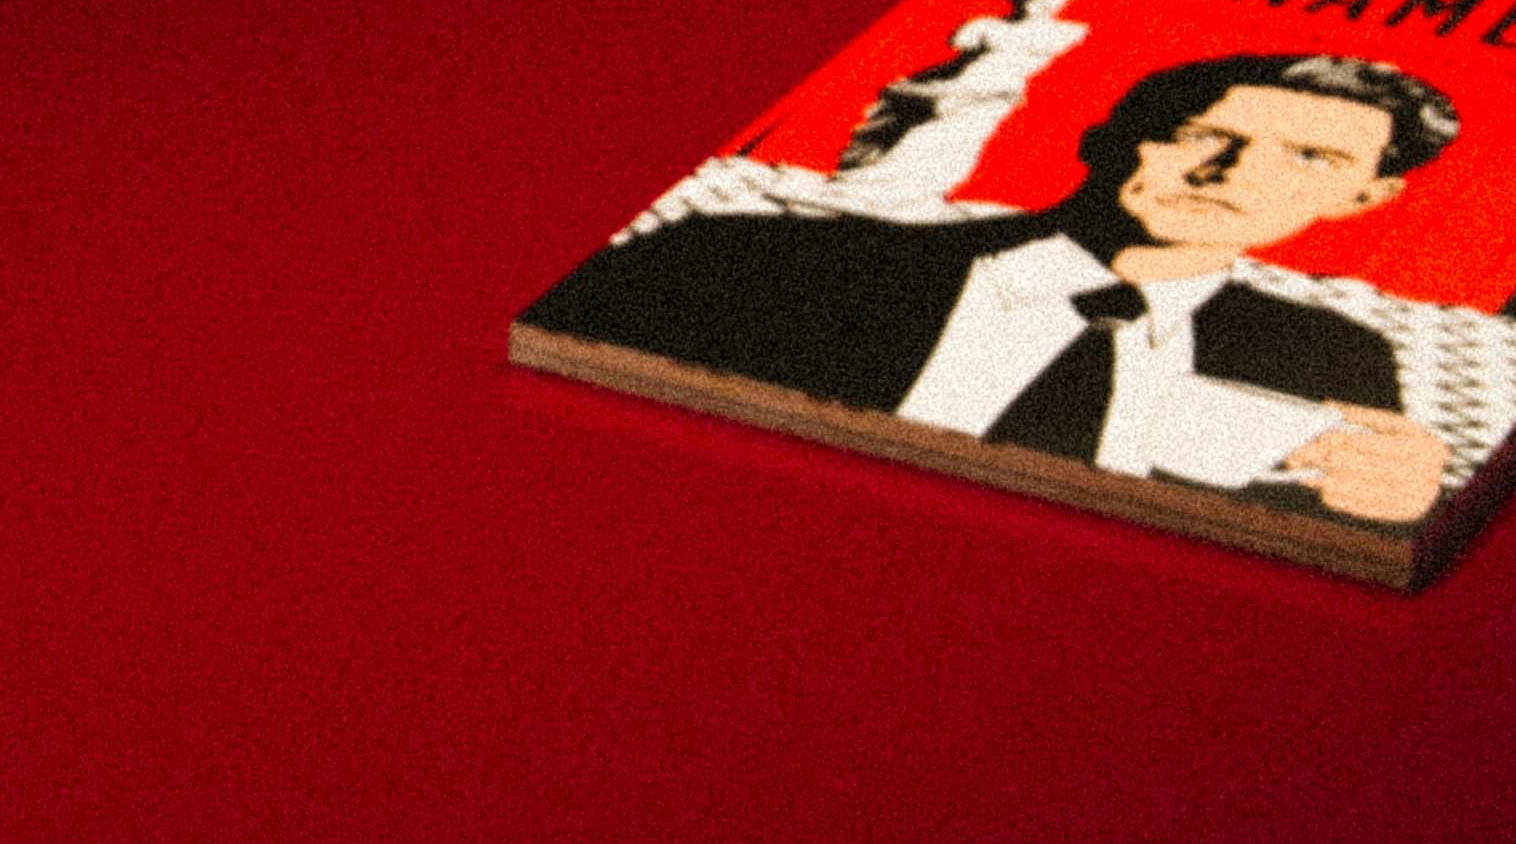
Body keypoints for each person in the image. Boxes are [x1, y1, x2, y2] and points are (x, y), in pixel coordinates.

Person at [526, 50, 1464, 522]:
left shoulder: (1332, 358)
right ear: (1113, 140)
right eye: (1200, 134)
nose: (1232, 175)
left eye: (1309, 157)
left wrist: (1384, 513)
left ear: (1364, 196)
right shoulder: (746, 261)